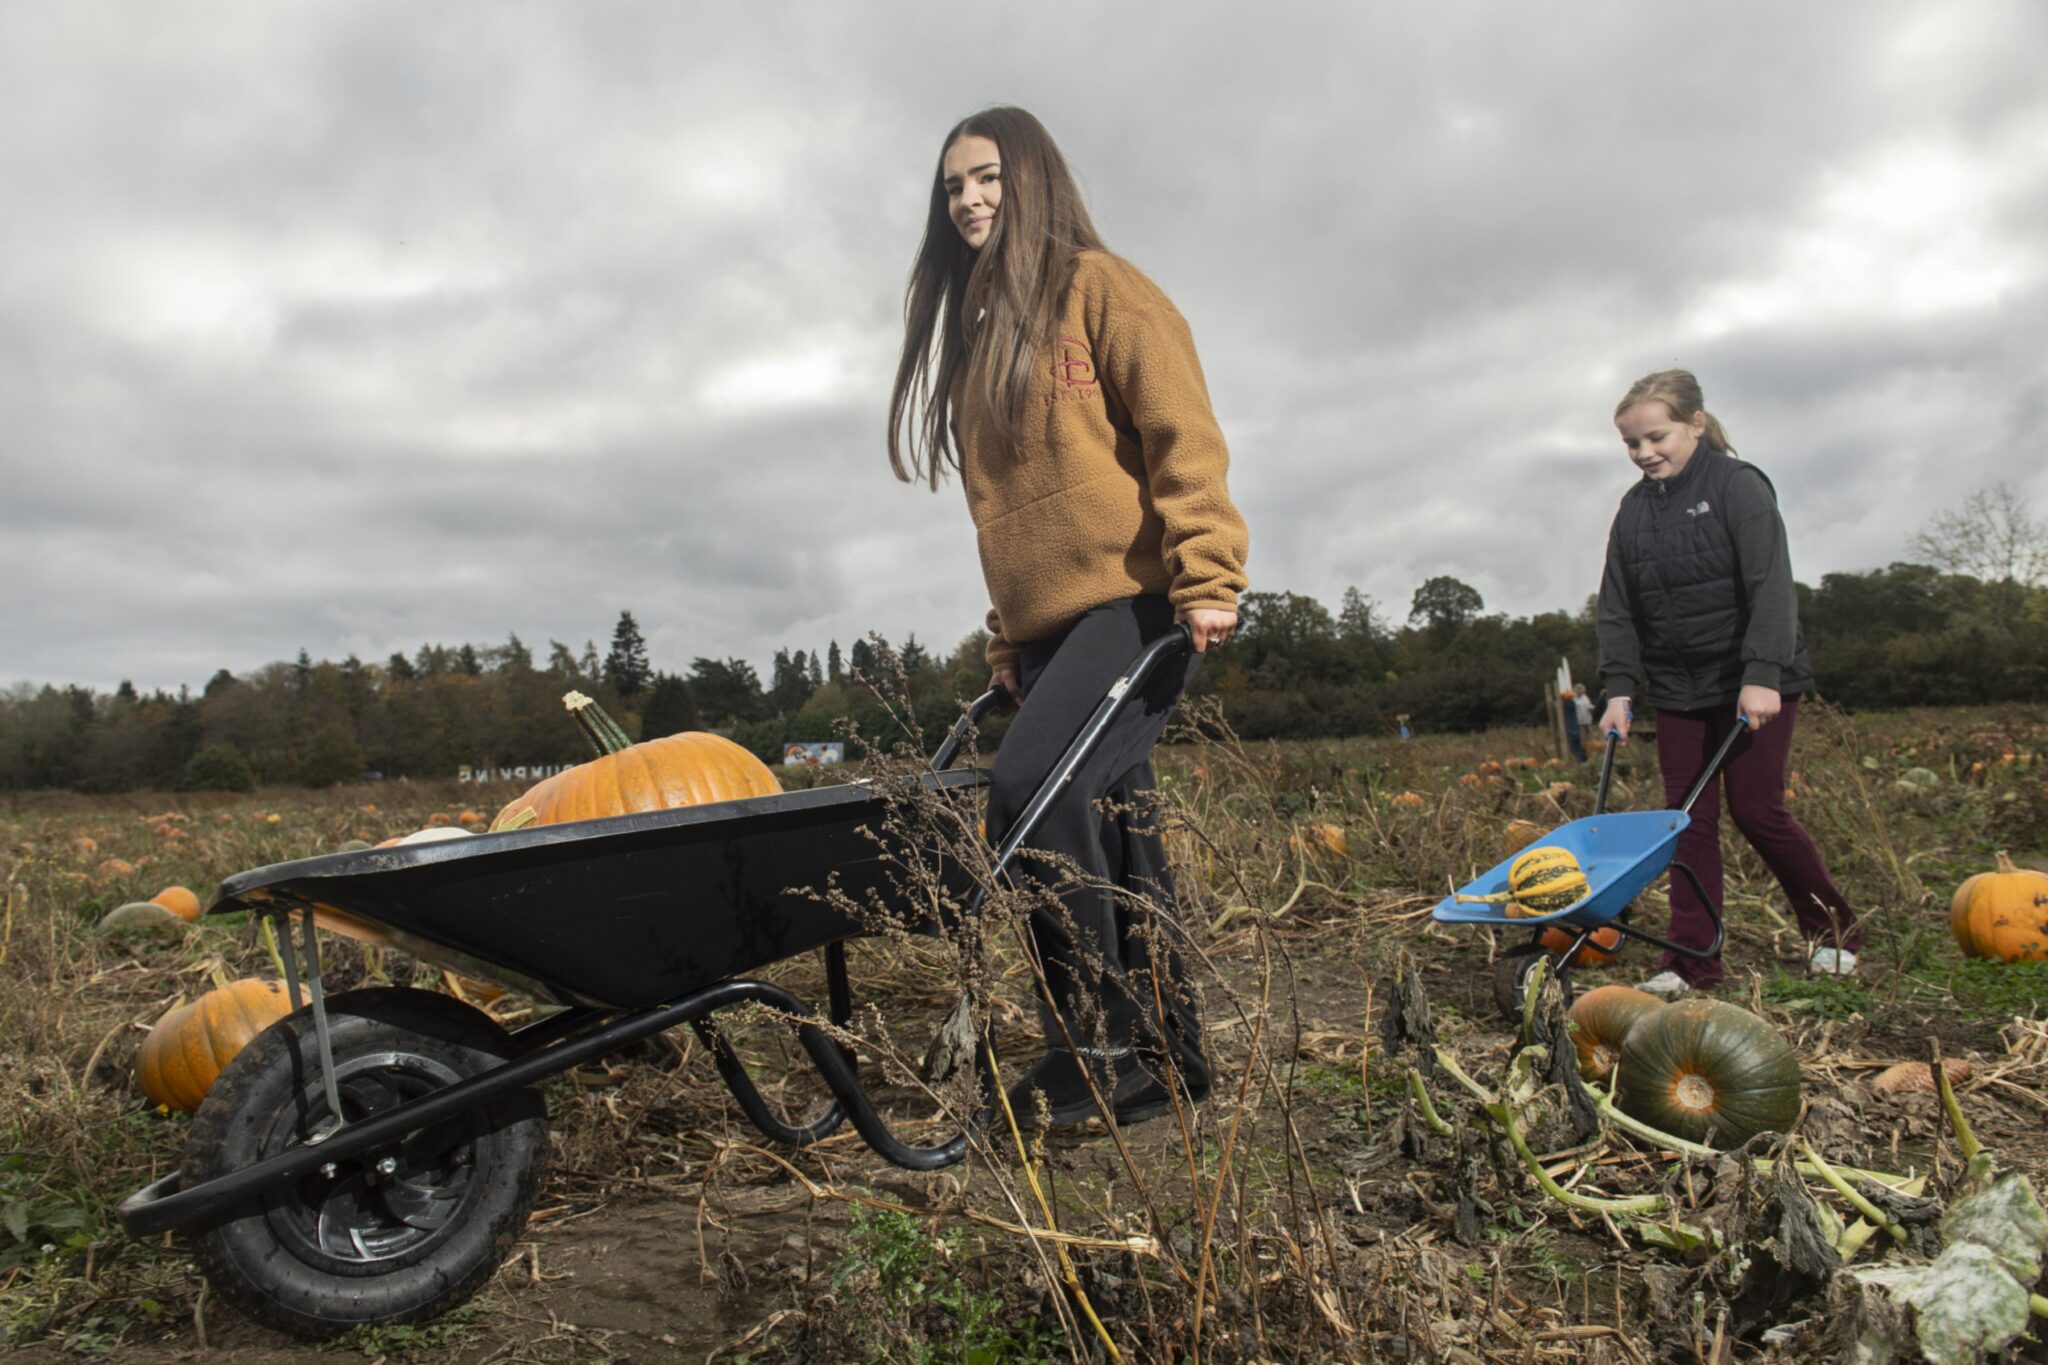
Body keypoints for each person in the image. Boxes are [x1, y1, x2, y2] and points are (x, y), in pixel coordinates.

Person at [888, 107, 1250, 1128]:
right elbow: (1000, 511)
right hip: (1050, 634)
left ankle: (1093, 1042)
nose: (968, 200)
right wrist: (1007, 638)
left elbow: (1182, 432)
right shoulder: (979, 344)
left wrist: (1208, 569)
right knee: (1121, 829)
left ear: (1033, 180)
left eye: (988, 178)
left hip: (1134, 607)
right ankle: (1171, 1054)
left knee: (1029, 793)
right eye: (953, 186)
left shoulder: (1102, 288)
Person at [1595, 369, 1859, 997]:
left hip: (1752, 679)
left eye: (1656, 437)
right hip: (1679, 686)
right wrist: (1618, 689)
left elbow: (1772, 586)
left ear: (1695, 424)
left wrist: (1763, 674)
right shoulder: (1634, 510)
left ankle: (1834, 932)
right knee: (1683, 819)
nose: (1644, 452)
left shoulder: (1738, 486)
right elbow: (1618, 607)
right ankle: (1692, 962)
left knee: (1757, 810)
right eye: (1631, 444)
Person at [1572, 684, 1594, 759]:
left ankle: (1590, 754)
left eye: (1581, 690)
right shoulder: (1574, 699)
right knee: (1582, 739)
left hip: (1588, 720)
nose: (1580, 692)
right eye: (1578, 690)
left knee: (1589, 738)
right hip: (1580, 722)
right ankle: (1583, 755)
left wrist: (1592, 707)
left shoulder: (1585, 698)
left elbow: (1588, 705)